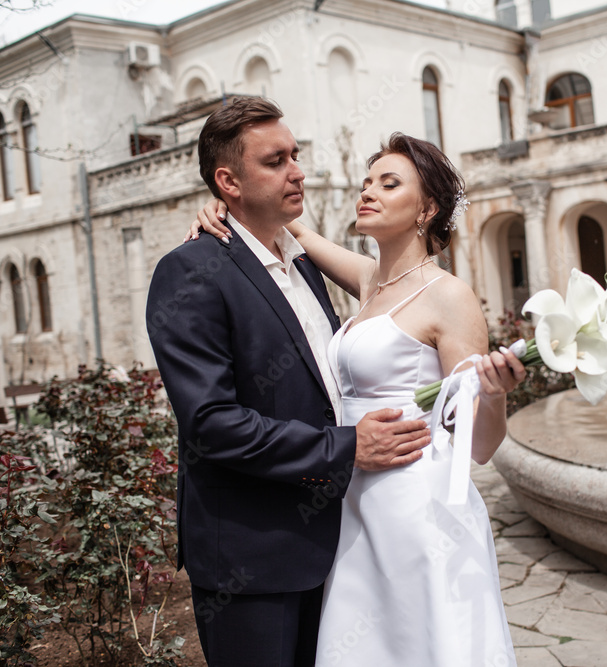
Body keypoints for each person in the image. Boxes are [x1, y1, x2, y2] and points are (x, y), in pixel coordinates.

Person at [189, 131, 525, 665]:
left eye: (389, 184)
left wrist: (495, 396)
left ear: (427, 208)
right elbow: (281, 223)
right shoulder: (369, 280)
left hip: (416, 502)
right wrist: (222, 206)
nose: (367, 192)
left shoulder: (449, 296)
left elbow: (478, 446)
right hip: (349, 497)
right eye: (367, 182)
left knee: (419, 642)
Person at [145, 98, 434, 667]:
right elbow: (212, 425)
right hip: (252, 562)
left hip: (334, 547)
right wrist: (350, 448)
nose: (297, 171)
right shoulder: (191, 272)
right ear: (228, 180)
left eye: (295, 155)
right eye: (275, 161)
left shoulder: (302, 262)